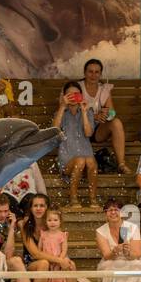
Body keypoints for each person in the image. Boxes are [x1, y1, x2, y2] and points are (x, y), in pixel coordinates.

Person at [54, 82, 97, 210]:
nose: (73, 97)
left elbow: (89, 133)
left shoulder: (87, 111)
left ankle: (93, 198)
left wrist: (83, 112)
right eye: (69, 94)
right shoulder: (61, 112)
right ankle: (73, 198)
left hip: (87, 161)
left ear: (81, 96)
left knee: (89, 160)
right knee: (80, 160)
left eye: (76, 94)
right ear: (64, 96)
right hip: (67, 161)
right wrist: (62, 106)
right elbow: (54, 131)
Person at [81, 58, 129, 174]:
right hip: (79, 130)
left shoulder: (104, 89)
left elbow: (112, 112)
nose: (93, 75)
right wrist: (93, 117)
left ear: (100, 74)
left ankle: (121, 164)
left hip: (96, 131)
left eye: (97, 72)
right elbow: (71, 113)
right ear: (84, 73)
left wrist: (106, 115)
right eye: (90, 71)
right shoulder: (78, 88)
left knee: (116, 123)